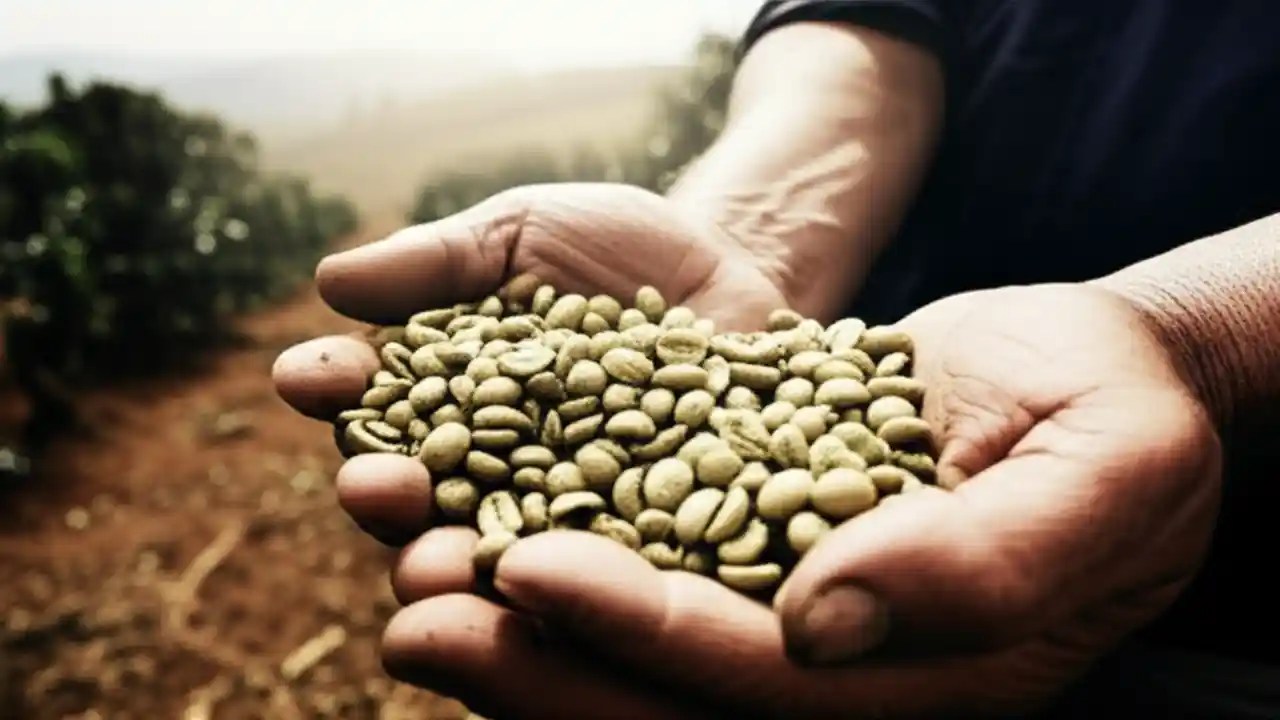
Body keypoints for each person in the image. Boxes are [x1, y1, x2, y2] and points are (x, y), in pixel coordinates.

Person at [272, 2, 1280, 717]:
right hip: (943, 436)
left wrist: (1200, 337)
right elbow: (868, 22)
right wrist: (750, 233)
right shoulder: (650, 389)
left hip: (1240, 629)